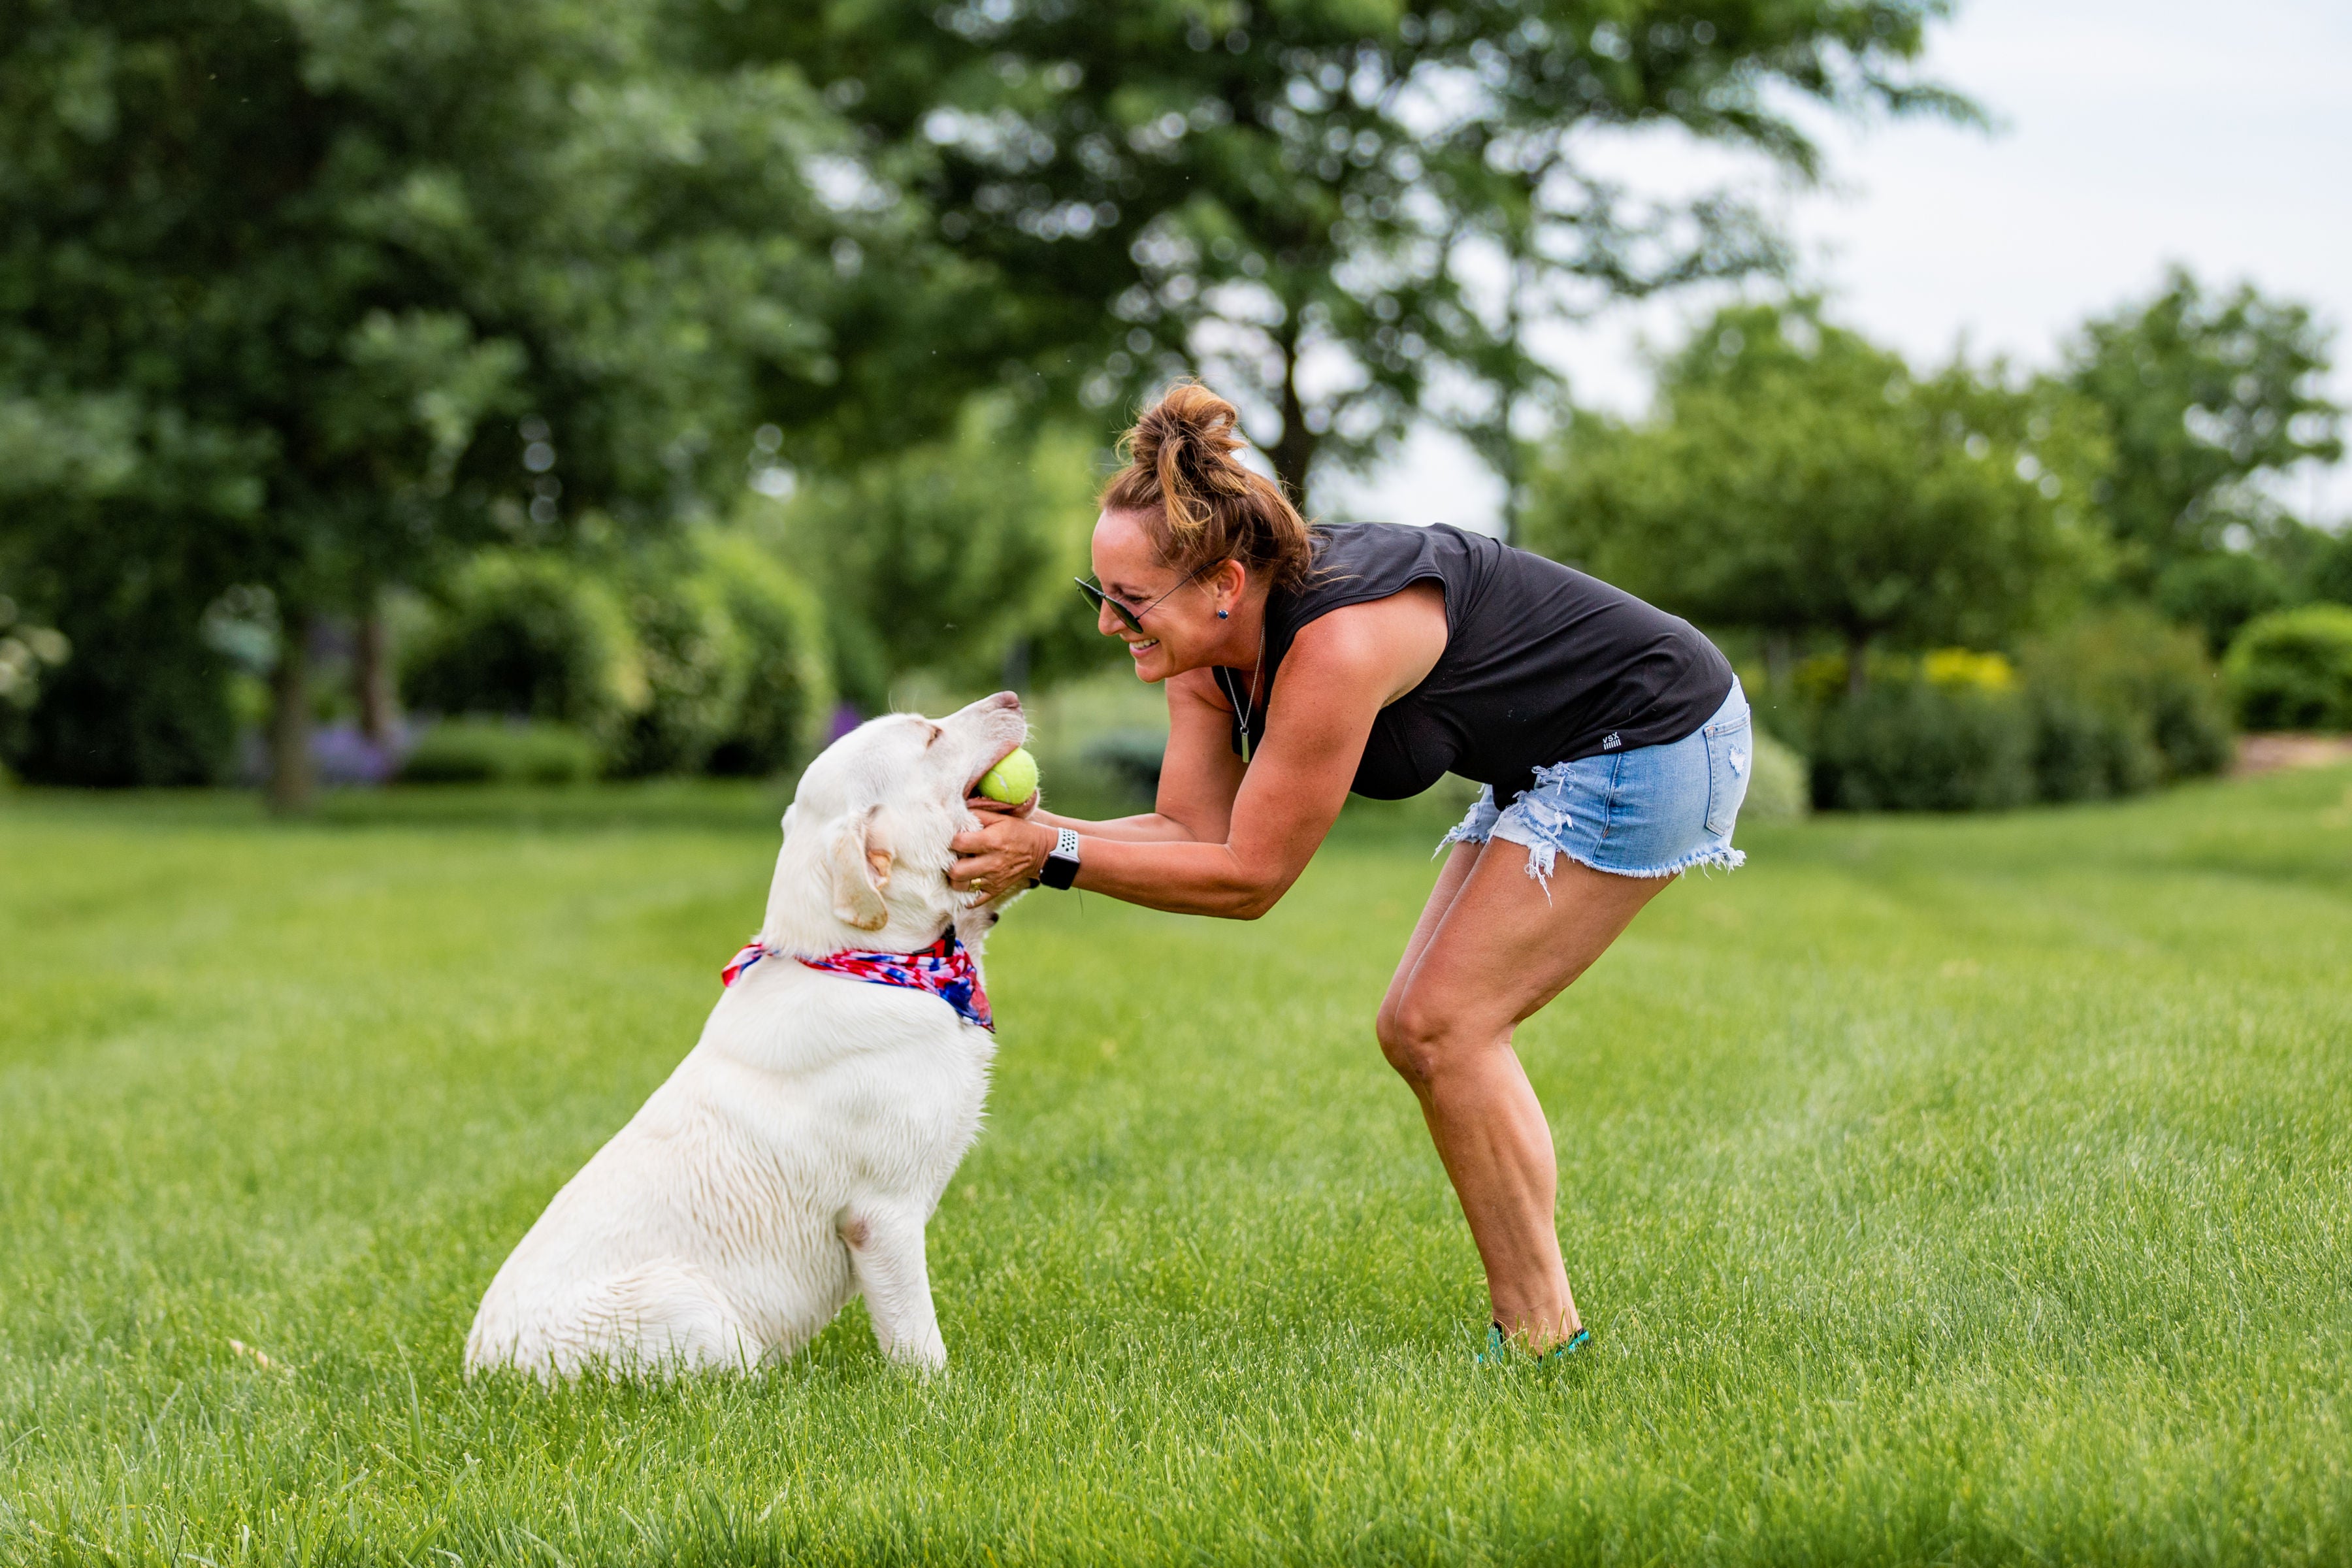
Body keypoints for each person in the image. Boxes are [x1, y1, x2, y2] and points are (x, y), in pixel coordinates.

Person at [948, 382, 1752, 1359]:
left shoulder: (1336, 639)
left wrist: (1051, 857)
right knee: (1423, 1031)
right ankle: (1541, 1325)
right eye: (1098, 597)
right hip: (1558, 752)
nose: (1110, 626)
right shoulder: (1203, 654)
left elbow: (1250, 877)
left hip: (1657, 733)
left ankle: (1543, 1338)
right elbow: (1187, 828)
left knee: (1444, 1025)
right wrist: (1033, 831)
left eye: (1127, 603)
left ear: (1225, 585)